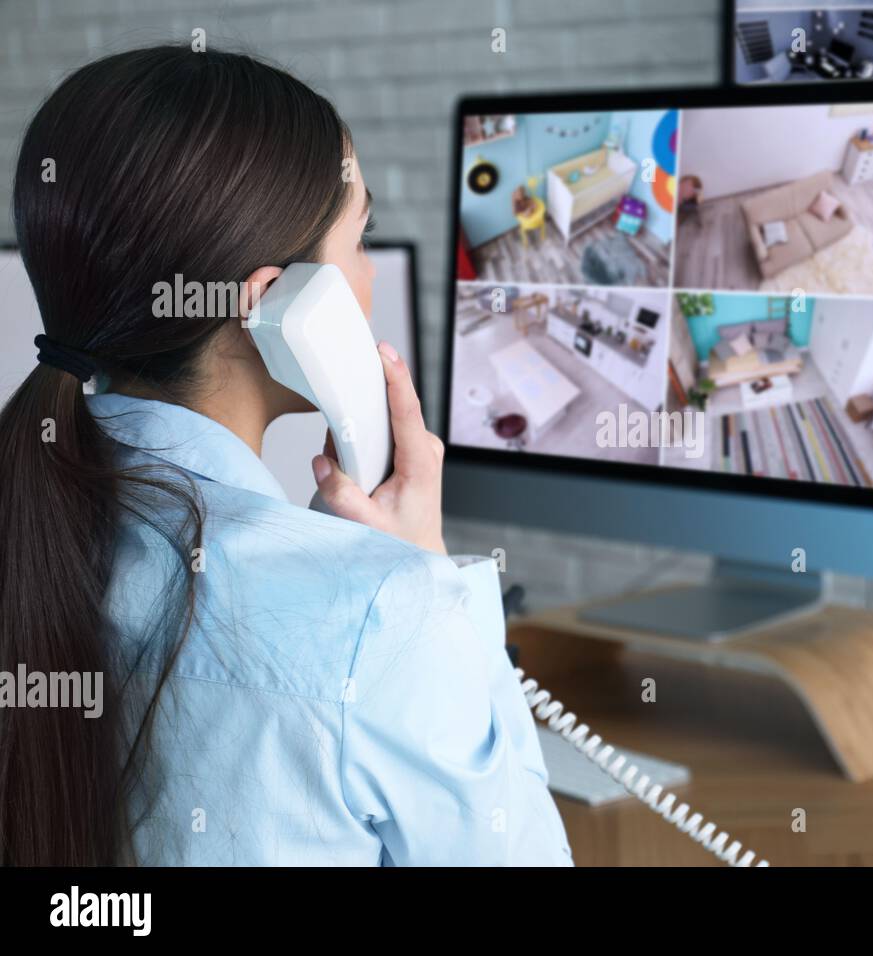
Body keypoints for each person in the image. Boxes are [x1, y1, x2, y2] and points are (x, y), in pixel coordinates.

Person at [0, 45, 572, 866]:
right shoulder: (378, 616)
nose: (369, 276)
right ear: (278, 304)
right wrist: (430, 580)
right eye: (361, 238)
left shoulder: (30, 515)